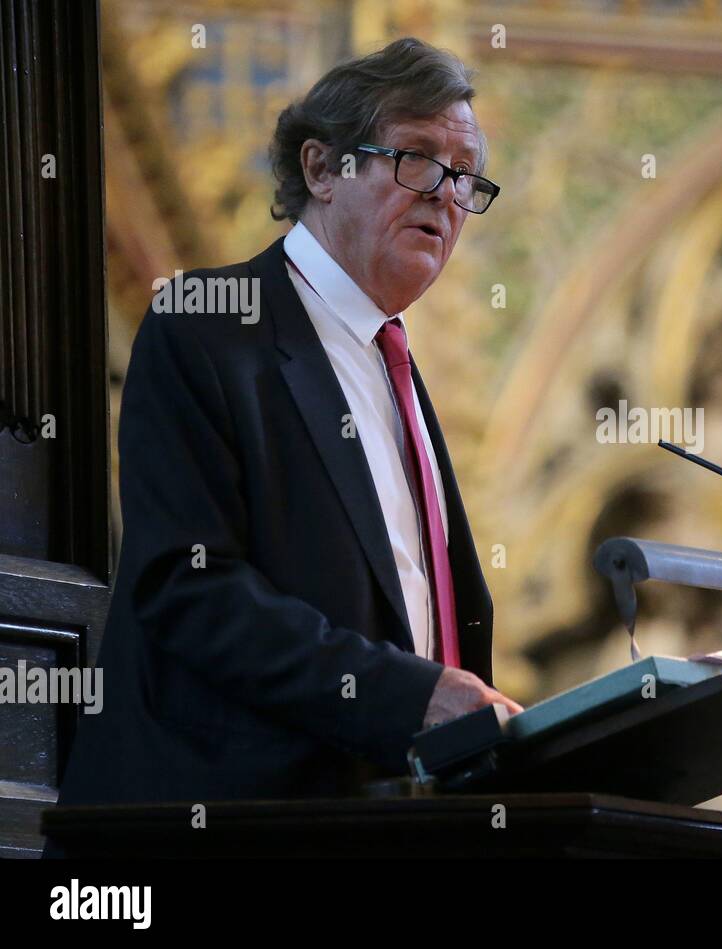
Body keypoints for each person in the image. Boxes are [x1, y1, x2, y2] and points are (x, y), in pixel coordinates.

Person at [49, 38, 521, 823]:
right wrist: (412, 697)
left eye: (465, 175)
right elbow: (189, 587)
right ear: (320, 169)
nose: (446, 193)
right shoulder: (205, 328)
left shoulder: (394, 364)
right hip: (226, 828)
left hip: (395, 826)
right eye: (416, 158)